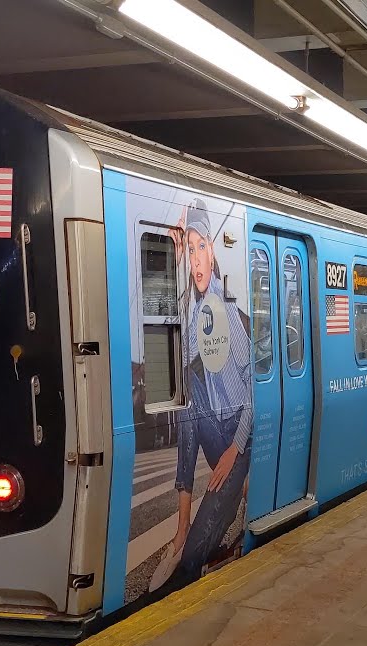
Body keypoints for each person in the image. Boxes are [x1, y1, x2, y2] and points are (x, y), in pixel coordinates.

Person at [149, 199, 252, 592]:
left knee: (191, 561)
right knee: (188, 398)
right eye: (189, 250)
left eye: (200, 247)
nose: (195, 259)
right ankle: (180, 528)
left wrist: (234, 450)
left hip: (237, 443)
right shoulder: (194, 316)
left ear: (213, 251)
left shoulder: (226, 308)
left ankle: (189, 544)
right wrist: (170, 261)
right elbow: (164, 338)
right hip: (212, 429)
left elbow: (254, 392)